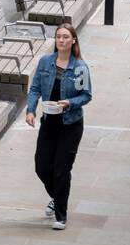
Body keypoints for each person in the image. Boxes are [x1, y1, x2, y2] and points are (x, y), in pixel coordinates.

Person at [25, 25, 92, 231]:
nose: (61, 40)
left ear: (73, 41)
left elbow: (86, 96)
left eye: (65, 37)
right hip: (49, 121)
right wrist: (31, 110)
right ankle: (57, 196)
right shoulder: (45, 62)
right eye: (58, 37)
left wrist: (68, 103)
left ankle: (61, 215)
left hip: (70, 124)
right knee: (42, 166)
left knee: (62, 170)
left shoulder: (80, 67)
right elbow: (35, 87)